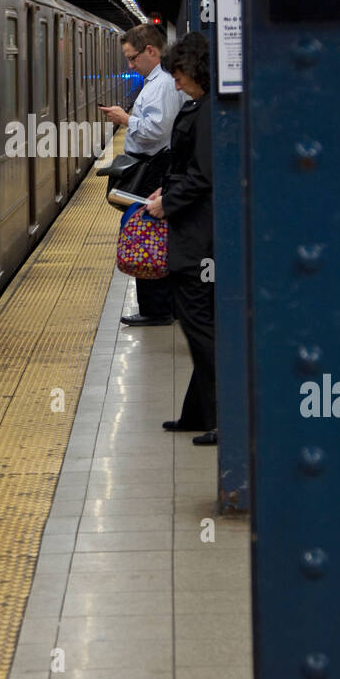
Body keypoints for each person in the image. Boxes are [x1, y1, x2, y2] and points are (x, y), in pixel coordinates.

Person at [145, 32, 217, 445]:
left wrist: (167, 203)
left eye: (179, 74)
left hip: (199, 238)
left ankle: (221, 416)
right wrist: (165, 193)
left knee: (200, 325)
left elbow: (204, 176)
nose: (175, 83)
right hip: (195, 232)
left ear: (196, 70)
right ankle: (198, 412)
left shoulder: (208, 113)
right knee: (197, 324)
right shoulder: (205, 107)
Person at [100, 23, 187, 325]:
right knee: (147, 233)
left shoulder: (162, 84)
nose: (130, 64)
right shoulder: (156, 81)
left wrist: (125, 119)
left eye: (133, 57)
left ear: (150, 50)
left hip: (154, 169)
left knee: (148, 235)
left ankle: (157, 308)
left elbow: (156, 131)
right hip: (150, 166)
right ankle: (155, 304)